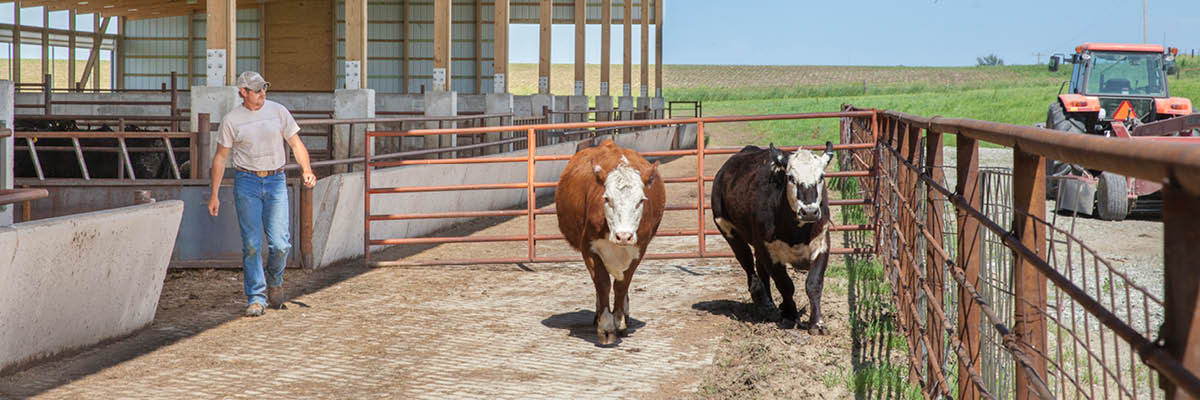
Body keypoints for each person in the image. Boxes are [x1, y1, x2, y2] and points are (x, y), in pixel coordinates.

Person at [208, 71, 316, 317]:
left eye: (263, 89)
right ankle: (256, 296)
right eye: (256, 90)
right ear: (243, 92)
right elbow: (221, 157)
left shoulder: (278, 112)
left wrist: (307, 169)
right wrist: (213, 194)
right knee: (251, 244)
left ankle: (274, 280)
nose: (262, 94)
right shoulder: (232, 120)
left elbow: (296, 144)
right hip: (247, 181)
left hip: (276, 179)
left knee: (280, 244)